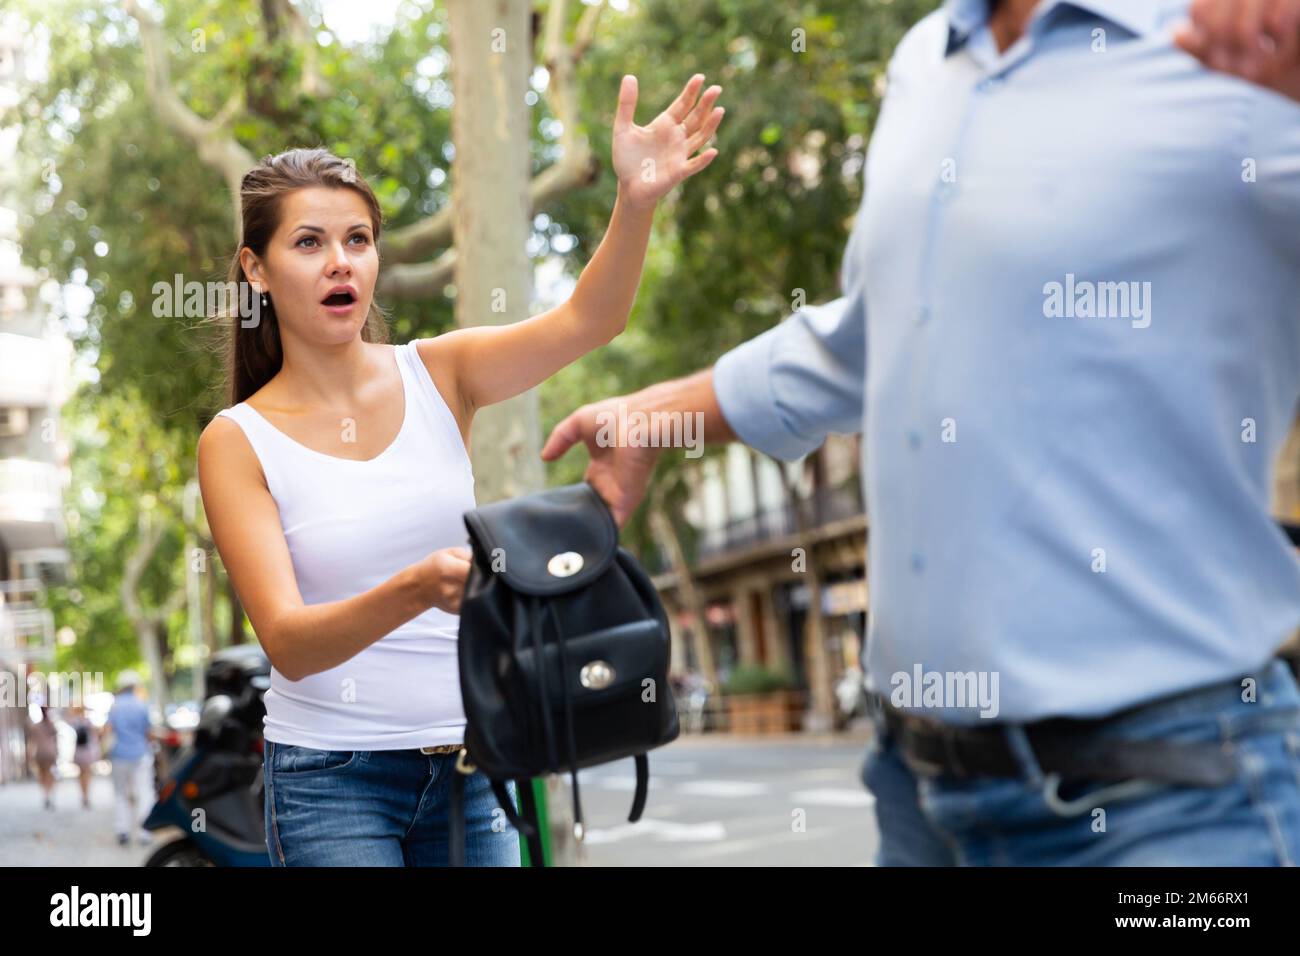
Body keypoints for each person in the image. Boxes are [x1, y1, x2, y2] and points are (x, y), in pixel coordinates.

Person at [542, 0, 1300, 865]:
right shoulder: (924, 62)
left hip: (1166, 802)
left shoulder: (1245, 32)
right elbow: (875, 337)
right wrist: (656, 415)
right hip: (919, 796)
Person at [197, 75, 725, 866]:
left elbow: (591, 319)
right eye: (309, 243)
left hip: (476, 767)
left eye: (357, 240)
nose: (340, 262)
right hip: (331, 784)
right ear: (257, 269)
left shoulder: (440, 373)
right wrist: (418, 586)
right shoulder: (237, 440)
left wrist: (637, 201)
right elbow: (290, 643)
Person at [106, 671, 157, 847]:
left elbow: (107, 730)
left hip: (119, 755)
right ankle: (145, 831)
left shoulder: (115, 706)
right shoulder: (141, 705)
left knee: (121, 793)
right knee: (144, 792)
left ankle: (122, 831)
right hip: (141, 754)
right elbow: (149, 732)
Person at [67, 704, 102, 810]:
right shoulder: (88, 722)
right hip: (87, 752)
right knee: (87, 774)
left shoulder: (75, 722)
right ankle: (85, 795)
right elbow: (96, 736)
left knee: (81, 774)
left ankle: (84, 795)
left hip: (79, 752)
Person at [26, 706, 59, 811]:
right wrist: (57, 752)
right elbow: (56, 741)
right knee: (49, 774)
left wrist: (29, 753)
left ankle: (46, 794)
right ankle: (49, 793)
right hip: (49, 752)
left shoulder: (36, 727)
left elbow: (32, 742)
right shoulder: (51, 725)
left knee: (42, 774)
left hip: (40, 753)